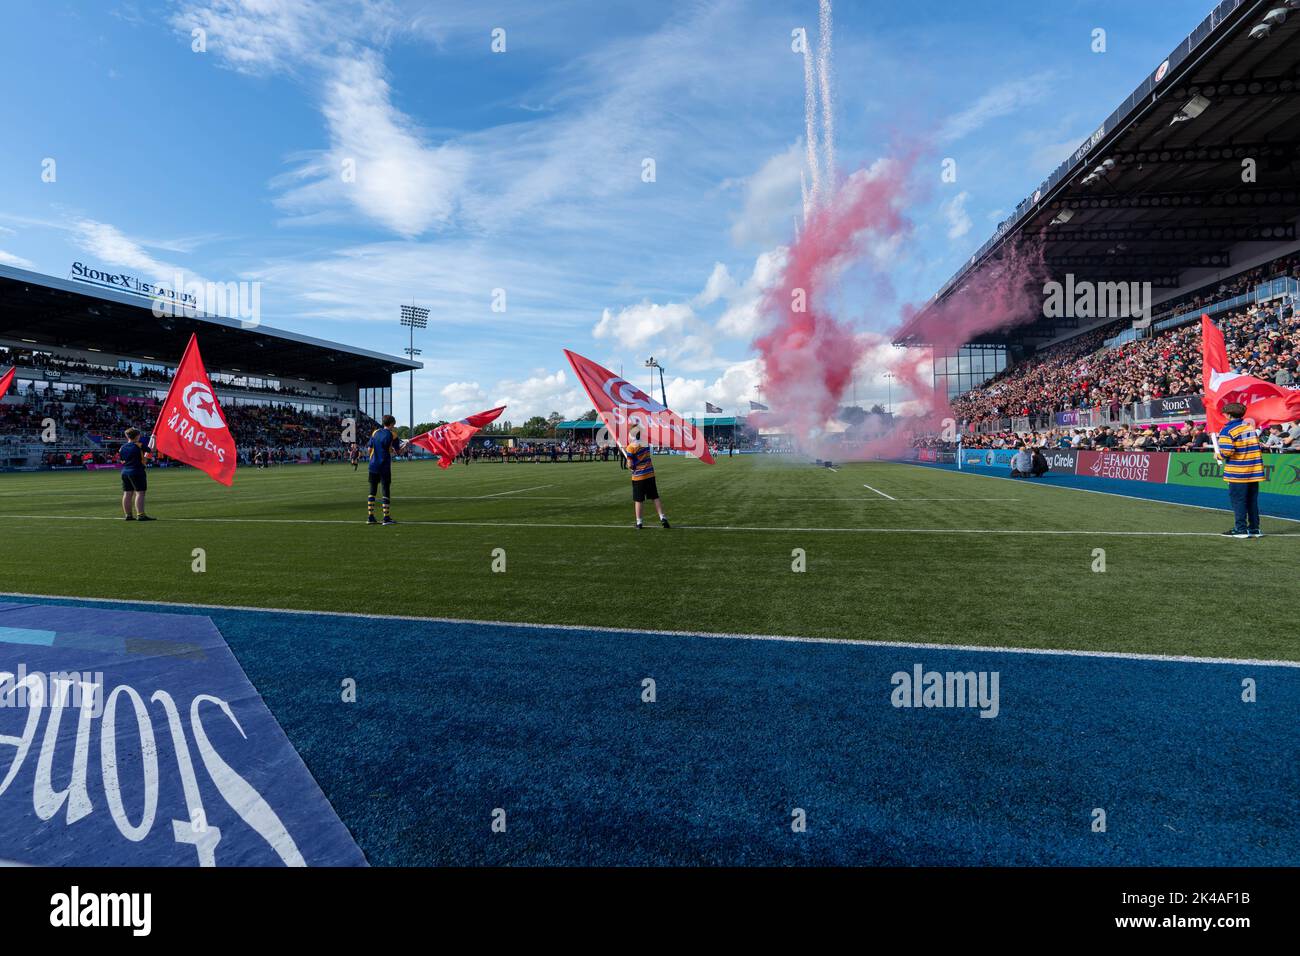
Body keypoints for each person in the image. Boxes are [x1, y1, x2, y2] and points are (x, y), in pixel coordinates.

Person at [1216, 402, 1265, 539]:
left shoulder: (1228, 430)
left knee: (1239, 501)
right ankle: (1254, 529)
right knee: (1252, 501)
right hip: (1254, 471)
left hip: (1238, 471)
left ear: (1229, 415)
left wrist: (1218, 455)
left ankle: (1241, 529)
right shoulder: (1249, 427)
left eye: (1225, 414)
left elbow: (1227, 452)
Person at [366, 415, 405, 525]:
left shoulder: (375, 432)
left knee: (372, 491)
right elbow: (398, 453)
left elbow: (369, 449)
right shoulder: (393, 435)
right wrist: (405, 446)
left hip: (373, 464)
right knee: (385, 490)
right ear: (392, 424)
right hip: (384, 466)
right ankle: (386, 518)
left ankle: (370, 517)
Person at [624, 437, 669, 529]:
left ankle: (639, 522)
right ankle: (663, 518)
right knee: (655, 497)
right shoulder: (645, 443)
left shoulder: (630, 447)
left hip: (638, 477)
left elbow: (630, 465)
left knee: (638, 500)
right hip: (650, 474)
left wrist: (629, 465)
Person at [119, 427, 155, 521]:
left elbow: (122, 460)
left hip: (125, 471)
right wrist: (154, 439)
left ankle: (128, 515)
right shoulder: (138, 444)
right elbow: (151, 450)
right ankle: (140, 514)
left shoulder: (122, 447)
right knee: (140, 493)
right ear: (137, 436)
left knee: (127, 493)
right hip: (136, 471)